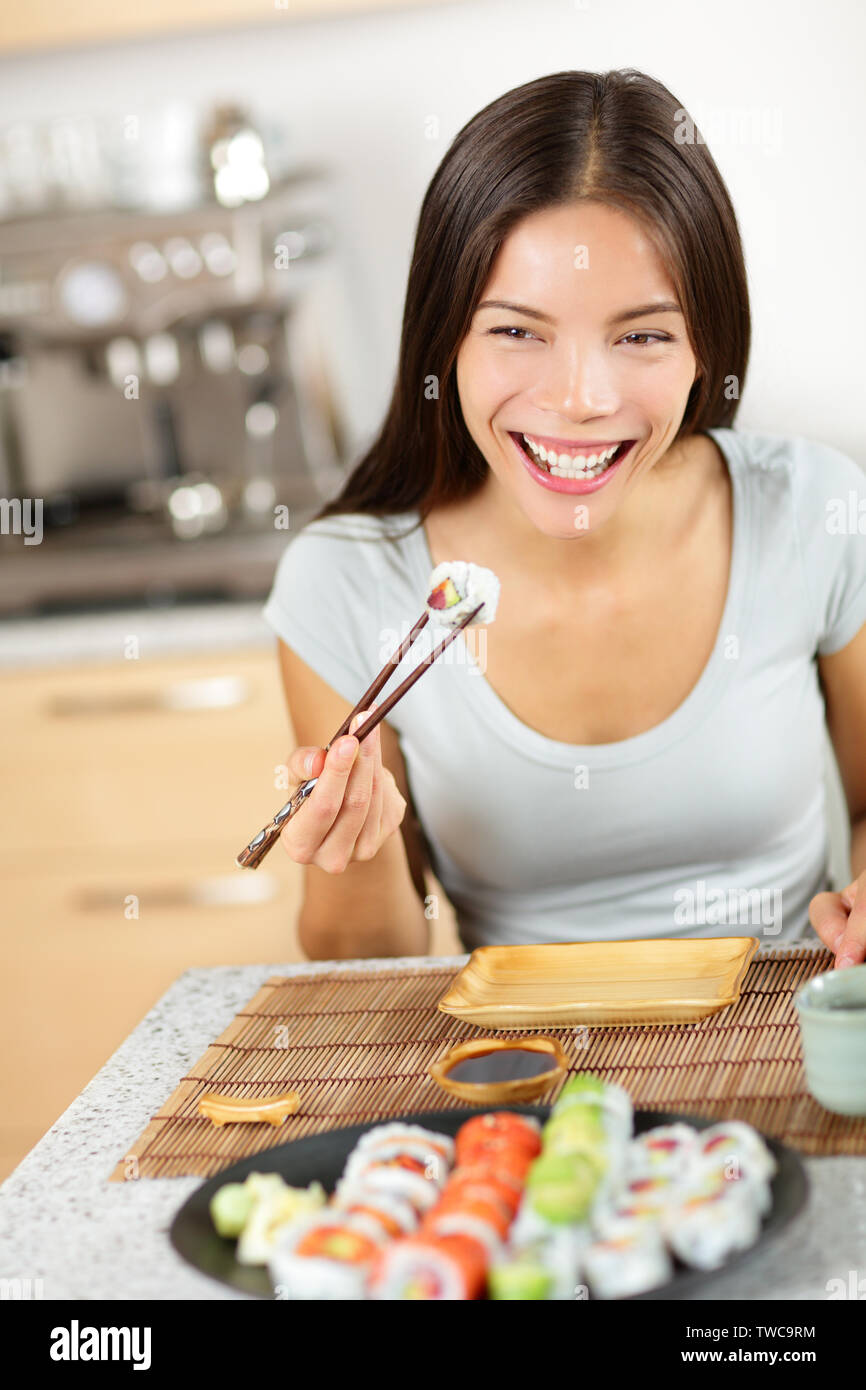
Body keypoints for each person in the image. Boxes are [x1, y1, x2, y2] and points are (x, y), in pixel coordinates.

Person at [262, 69, 866, 966]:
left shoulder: (812, 508)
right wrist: (350, 843)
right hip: (523, 1074)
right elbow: (370, 975)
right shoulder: (346, 582)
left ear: (706, 345)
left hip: (785, 1057)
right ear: (446, 343)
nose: (580, 400)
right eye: (516, 331)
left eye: (643, 335)